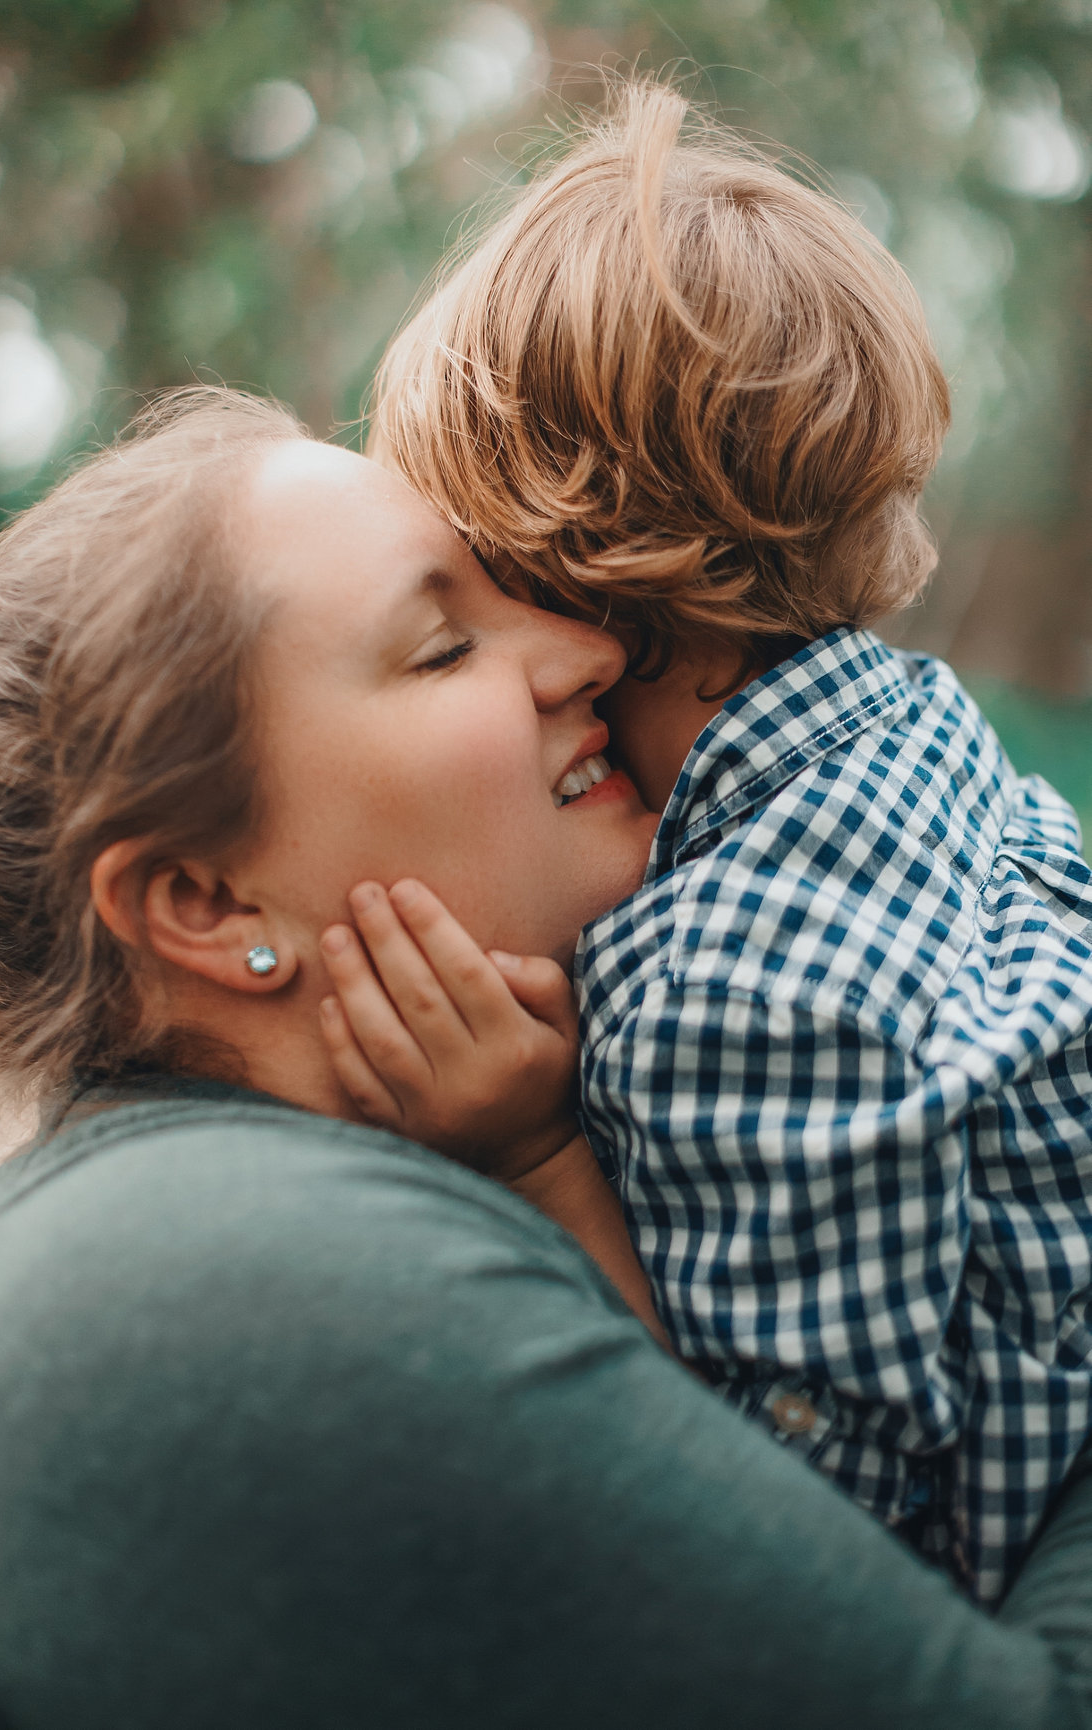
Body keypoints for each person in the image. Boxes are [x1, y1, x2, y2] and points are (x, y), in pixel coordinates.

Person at [0, 389, 1092, 1725]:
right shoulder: (250, 1288)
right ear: (205, 899)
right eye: (441, 646)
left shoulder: (207, 1210)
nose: (592, 647)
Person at [369, 80, 1092, 1604]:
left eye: (473, 581)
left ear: (574, 563)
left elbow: (779, 1564)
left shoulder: (725, 983)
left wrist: (539, 1159)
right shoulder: (914, 735)